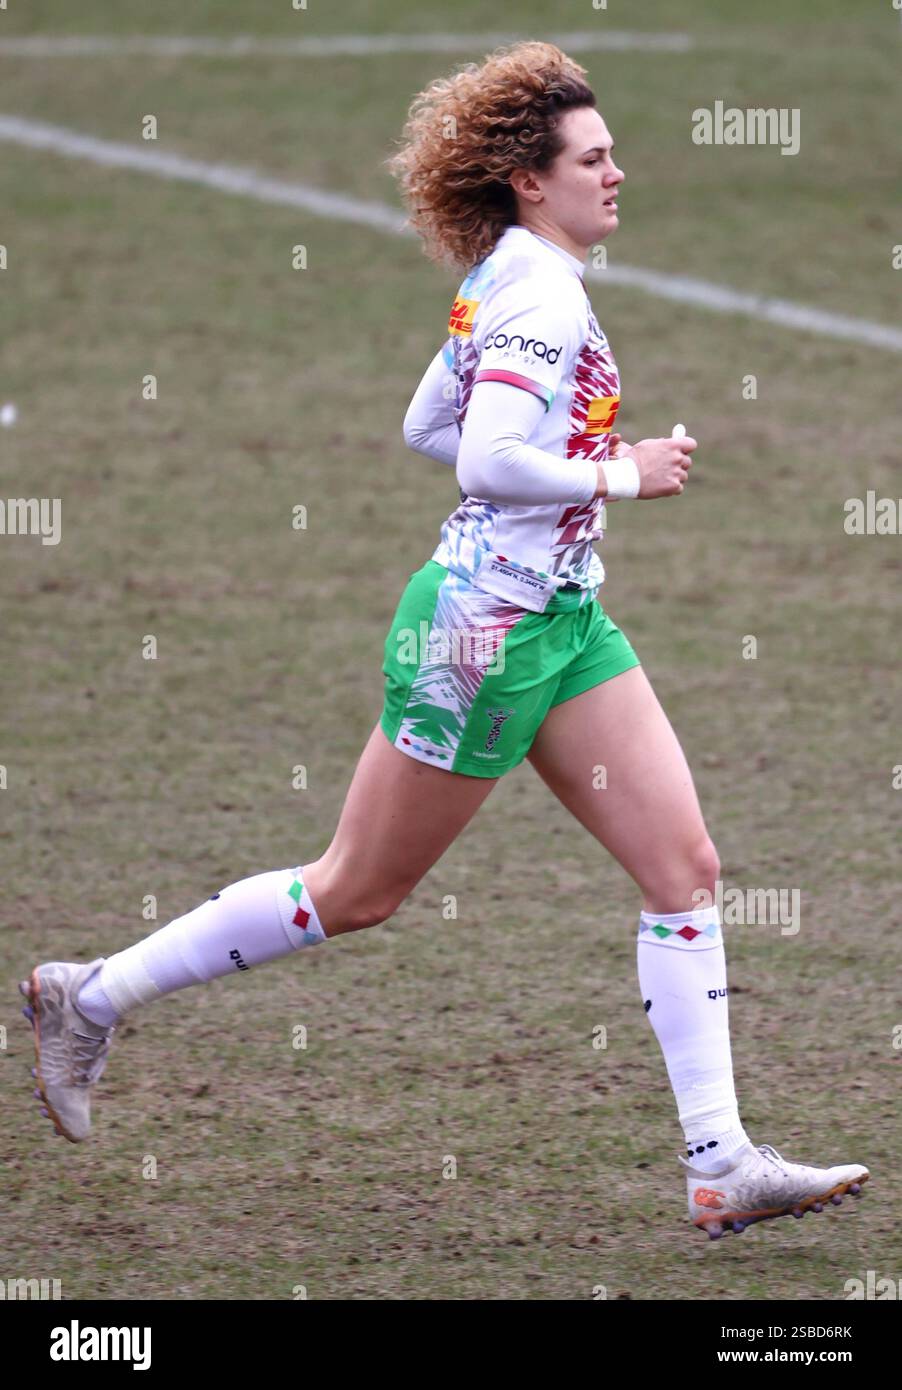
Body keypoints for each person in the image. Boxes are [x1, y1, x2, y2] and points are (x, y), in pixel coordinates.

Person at [21, 41, 867, 1240]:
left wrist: (557, 494)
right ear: (531, 179)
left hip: (561, 623)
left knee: (682, 868)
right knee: (357, 889)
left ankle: (719, 1161)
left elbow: (428, 418)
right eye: (593, 158)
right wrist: (618, 471)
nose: (616, 174)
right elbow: (476, 455)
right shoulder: (539, 291)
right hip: (484, 632)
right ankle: (87, 995)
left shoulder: (510, 274)